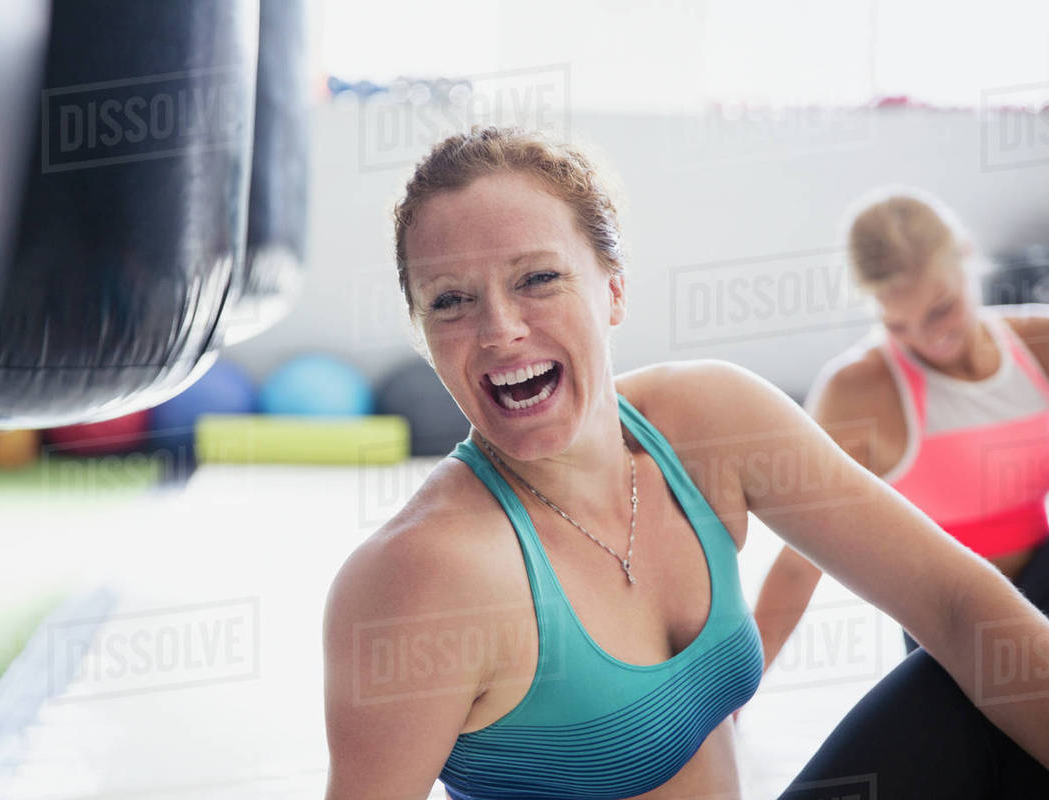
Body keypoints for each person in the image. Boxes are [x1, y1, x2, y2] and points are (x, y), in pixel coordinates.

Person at [322, 128, 1049, 800]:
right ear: (422, 336)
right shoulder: (417, 578)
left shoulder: (708, 424)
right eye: (450, 301)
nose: (501, 330)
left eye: (537, 279)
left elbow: (957, 607)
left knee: (987, 663)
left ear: (614, 289)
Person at [753, 189, 1049, 672]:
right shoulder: (858, 390)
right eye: (899, 325)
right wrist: (729, 700)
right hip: (947, 628)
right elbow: (798, 563)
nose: (927, 339)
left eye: (940, 309)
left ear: (967, 258)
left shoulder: (1040, 344)